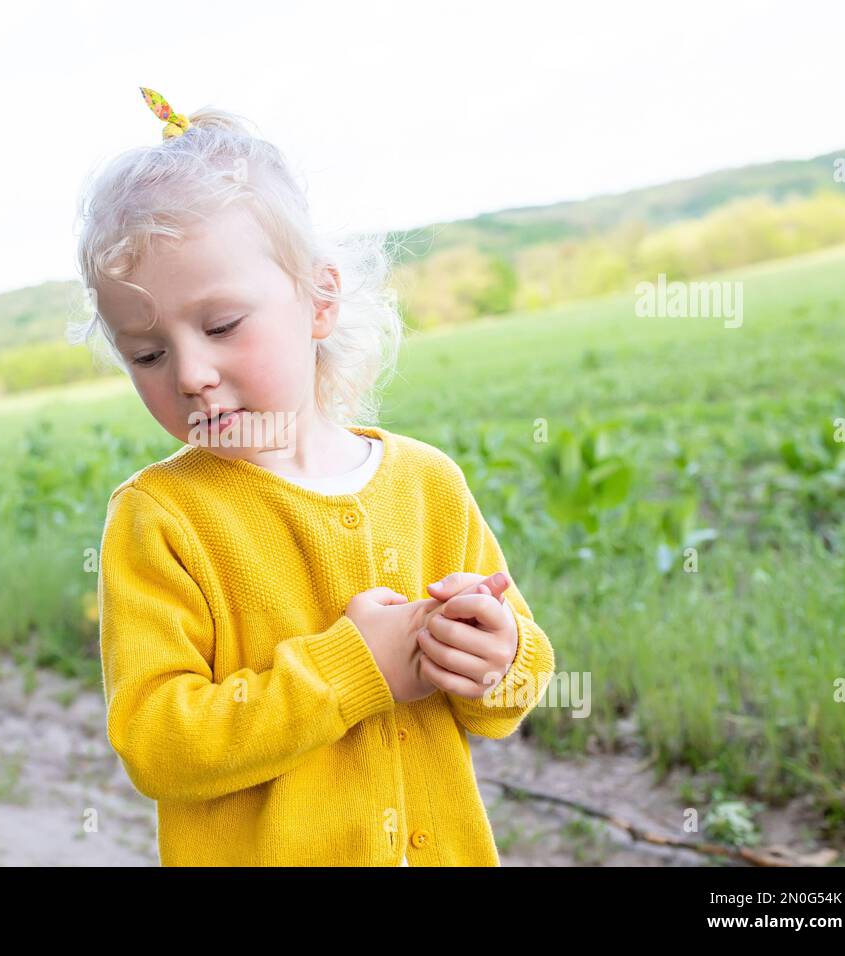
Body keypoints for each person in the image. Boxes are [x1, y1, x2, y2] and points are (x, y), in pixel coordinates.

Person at [70, 88, 556, 866]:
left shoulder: (427, 483)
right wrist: (353, 667)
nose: (191, 373)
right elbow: (159, 745)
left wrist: (493, 661)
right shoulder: (162, 519)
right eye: (147, 354)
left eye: (222, 326)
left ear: (319, 299)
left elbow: (512, 687)